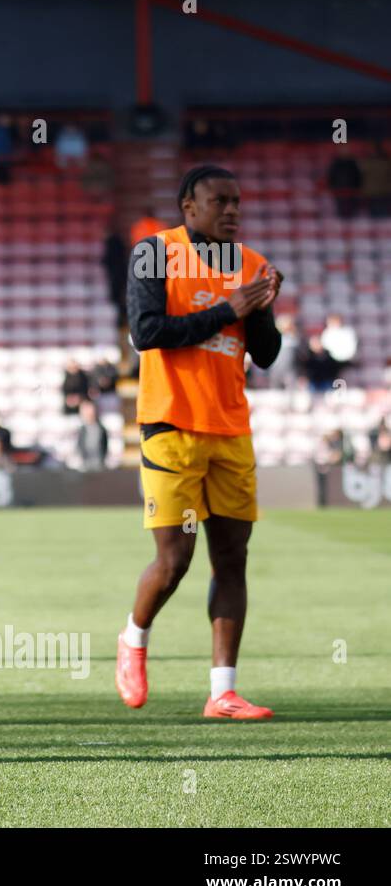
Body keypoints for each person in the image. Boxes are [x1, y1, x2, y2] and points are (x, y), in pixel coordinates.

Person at [118, 164, 282, 720]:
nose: (232, 210)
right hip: (170, 425)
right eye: (220, 201)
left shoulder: (253, 265)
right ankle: (134, 637)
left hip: (231, 429)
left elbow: (265, 354)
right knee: (174, 561)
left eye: (237, 201)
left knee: (232, 558)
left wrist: (261, 308)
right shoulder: (155, 253)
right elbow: (147, 332)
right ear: (189, 207)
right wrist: (228, 309)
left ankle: (222, 693)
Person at [76, 400, 108, 471]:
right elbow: (80, 446)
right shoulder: (82, 429)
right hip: (85, 464)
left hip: (98, 465)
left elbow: (104, 447)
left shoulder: (101, 429)